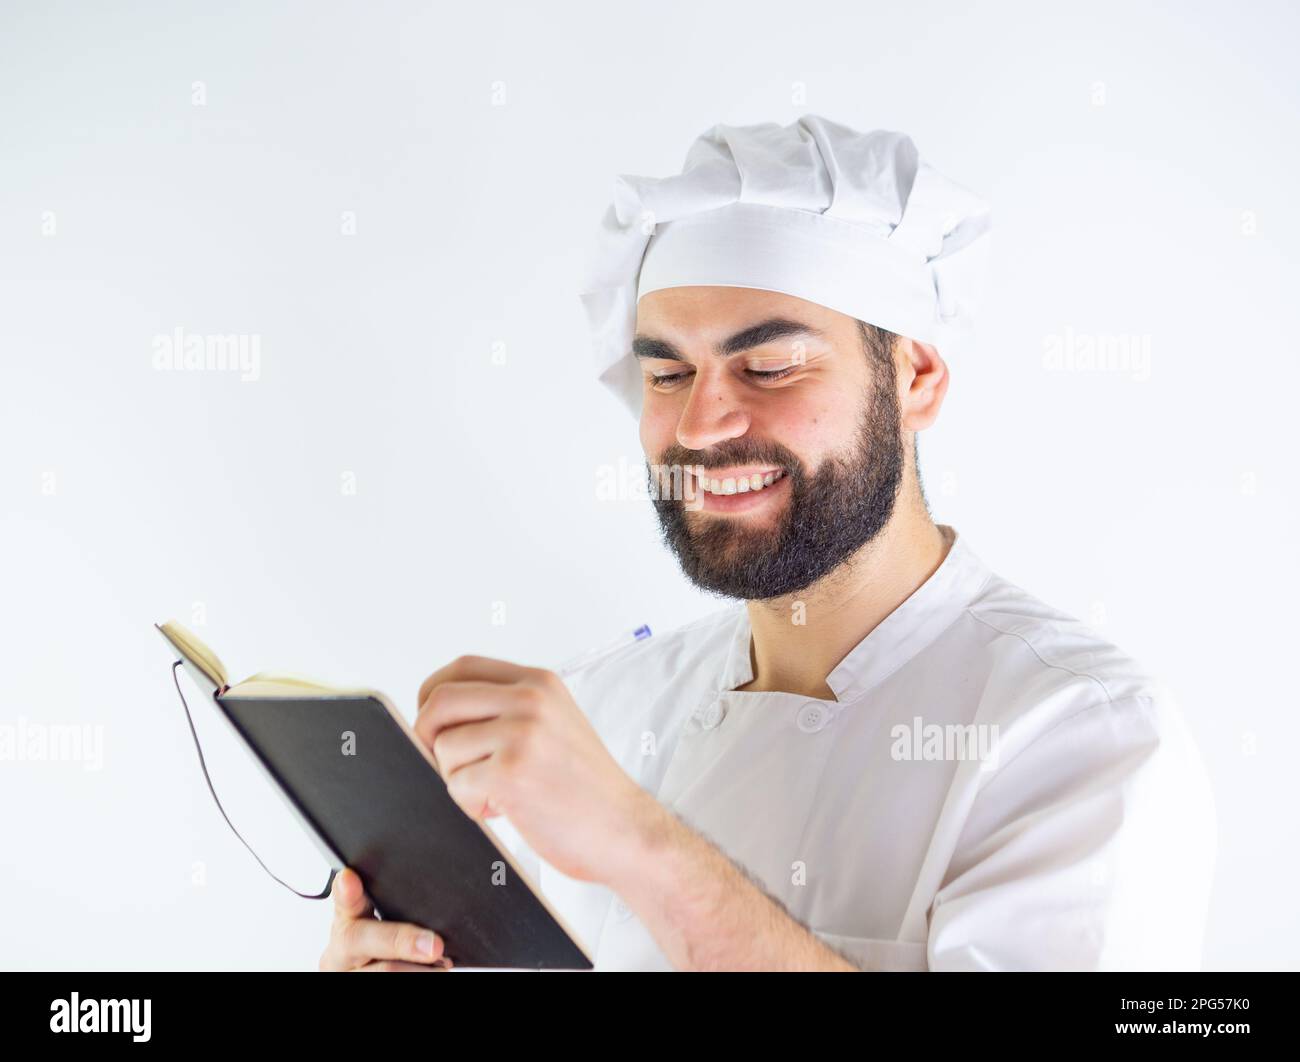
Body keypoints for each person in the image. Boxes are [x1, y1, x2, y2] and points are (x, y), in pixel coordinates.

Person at [318, 115, 1216, 972]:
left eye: (770, 367)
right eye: (667, 373)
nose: (704, 425)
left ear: (917, 379)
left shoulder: (1078, 734)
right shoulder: (600, 709)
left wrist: (638, 841)